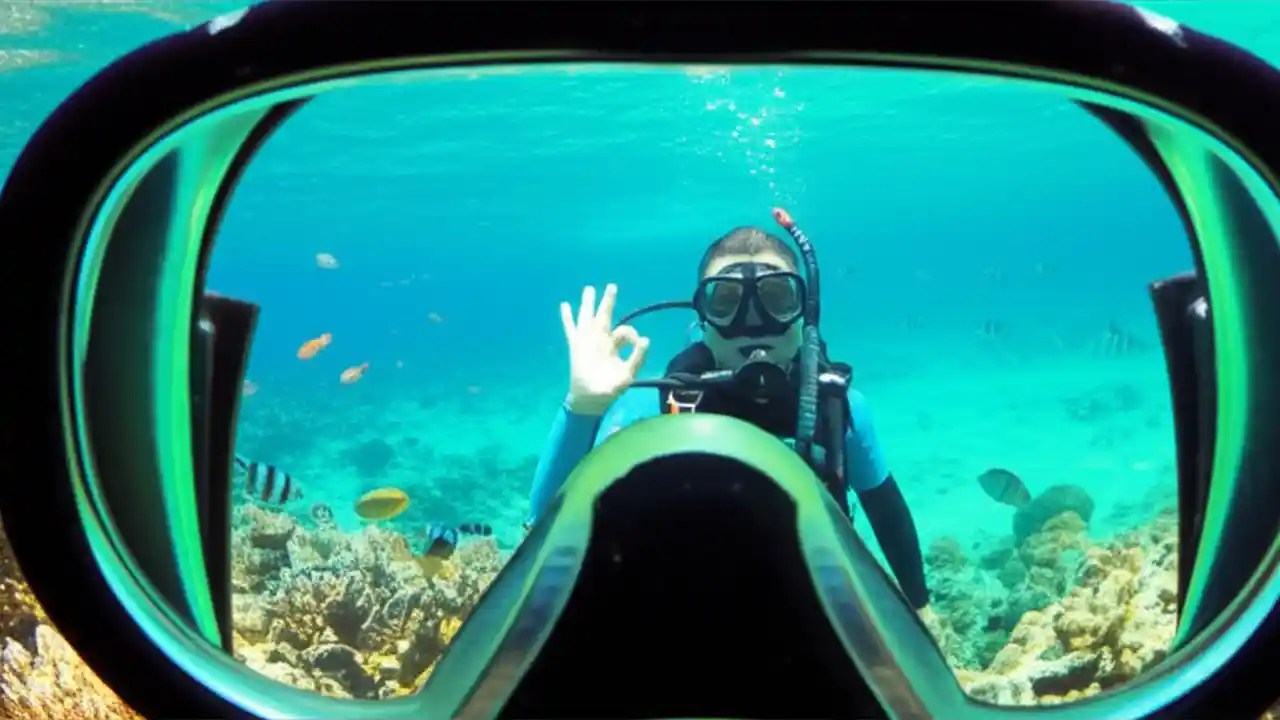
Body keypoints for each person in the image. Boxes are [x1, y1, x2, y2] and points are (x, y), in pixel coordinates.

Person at [527, 225, 934, 620]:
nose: (752, 322)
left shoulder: (838, 409)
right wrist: (581, 407)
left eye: (776, 298)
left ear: (804, 314)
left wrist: (922, 610)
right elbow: (543, 527)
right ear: (702, 318)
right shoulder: (649, 411)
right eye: (726, 302)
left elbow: (887, 515)